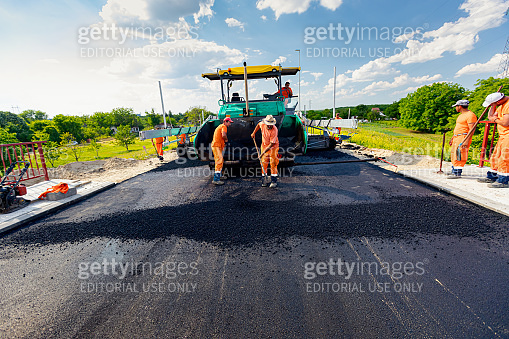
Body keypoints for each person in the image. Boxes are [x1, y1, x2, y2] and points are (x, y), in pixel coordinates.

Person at [477, 92, 509, 188]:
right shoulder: (501, 105)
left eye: (492, 104)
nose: (491, 106)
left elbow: (505, 122)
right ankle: (492, 176)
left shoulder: (508, 105)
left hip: (507, 135)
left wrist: (495, 119)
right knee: (495, 156)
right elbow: (490, 116)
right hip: (503, 135)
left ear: (498, 101)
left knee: (504, 157)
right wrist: (492, 106)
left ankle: (503, 180)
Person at [447, 100, 477, 179]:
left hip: (463, 137)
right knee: (454, 154)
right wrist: (452, 138)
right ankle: (454, 169)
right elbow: (458, 128)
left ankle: (457, 172)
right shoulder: (461, 115)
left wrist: (466, 140)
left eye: (456, 106)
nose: (455, 108)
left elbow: (472, 129)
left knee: (460, 153)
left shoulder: (470, 115)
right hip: (457, 137)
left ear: (460, 106)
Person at [251, 115, 279, 188]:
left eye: (271, 125)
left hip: (273, 147)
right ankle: (264, 180)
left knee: (273, 163)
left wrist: (262, 153)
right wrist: (253, 133)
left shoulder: (274, 130)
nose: (270, 126)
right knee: (263, 163)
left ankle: (274, 181)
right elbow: (258, 125)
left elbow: (271, 143)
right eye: (268, 125)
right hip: (264, 146)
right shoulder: (262, 124)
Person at [211, 117, 233, 185]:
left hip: (217, 146)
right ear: (225, 122)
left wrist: (223, 144)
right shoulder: (224, 126)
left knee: (220, 161)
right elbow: (223, 135)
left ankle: (219, 176)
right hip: (216, 146)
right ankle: (216, 179)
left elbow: (220, 137)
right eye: (229, 122)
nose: (230, 124)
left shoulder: (220, 126)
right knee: (219, 161)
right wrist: (226, 140)